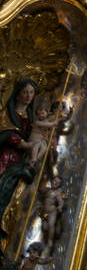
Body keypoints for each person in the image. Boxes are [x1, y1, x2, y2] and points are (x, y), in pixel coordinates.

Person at [0, 78, 37, 240]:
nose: (28, 96)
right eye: (25, 92)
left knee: (11, 196)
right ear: (18, 95)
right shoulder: (8, 113)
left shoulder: (31, 119)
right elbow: (4, 133)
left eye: (31, 92)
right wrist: (24, 144)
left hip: (20, 161)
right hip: (5, 158)